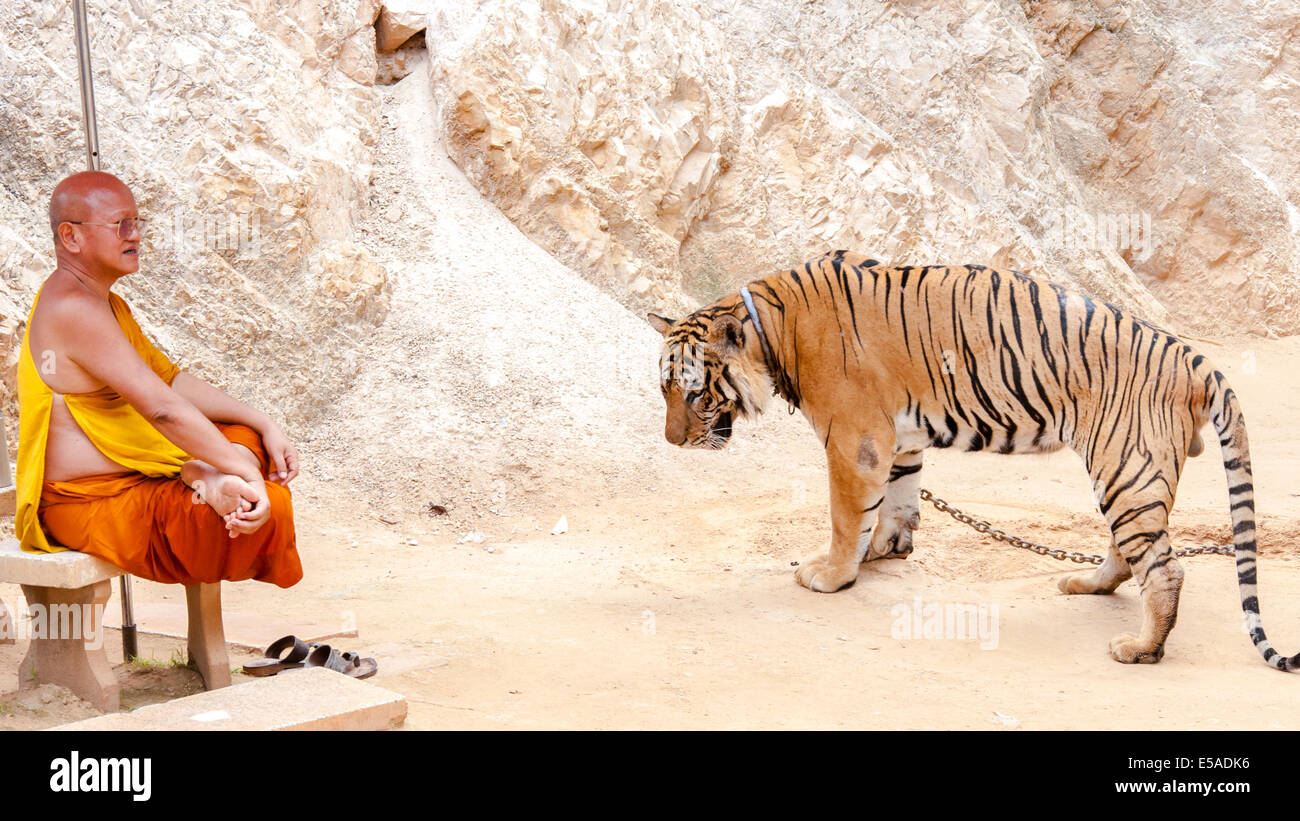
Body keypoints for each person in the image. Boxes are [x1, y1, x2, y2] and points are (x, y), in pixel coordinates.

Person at [13, 170, 302, 587]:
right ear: (71, 237)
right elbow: (163, 411)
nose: (134, 235)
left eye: (136, 222)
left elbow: (171, 382)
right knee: (258, 500)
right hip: (88, 499)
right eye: (119, 225)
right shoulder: (71, 308)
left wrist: (263, 422)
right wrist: (246, 472)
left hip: (137, 474)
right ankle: (203, 474)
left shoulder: (106, 303)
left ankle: (204, 473)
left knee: (246, 439)